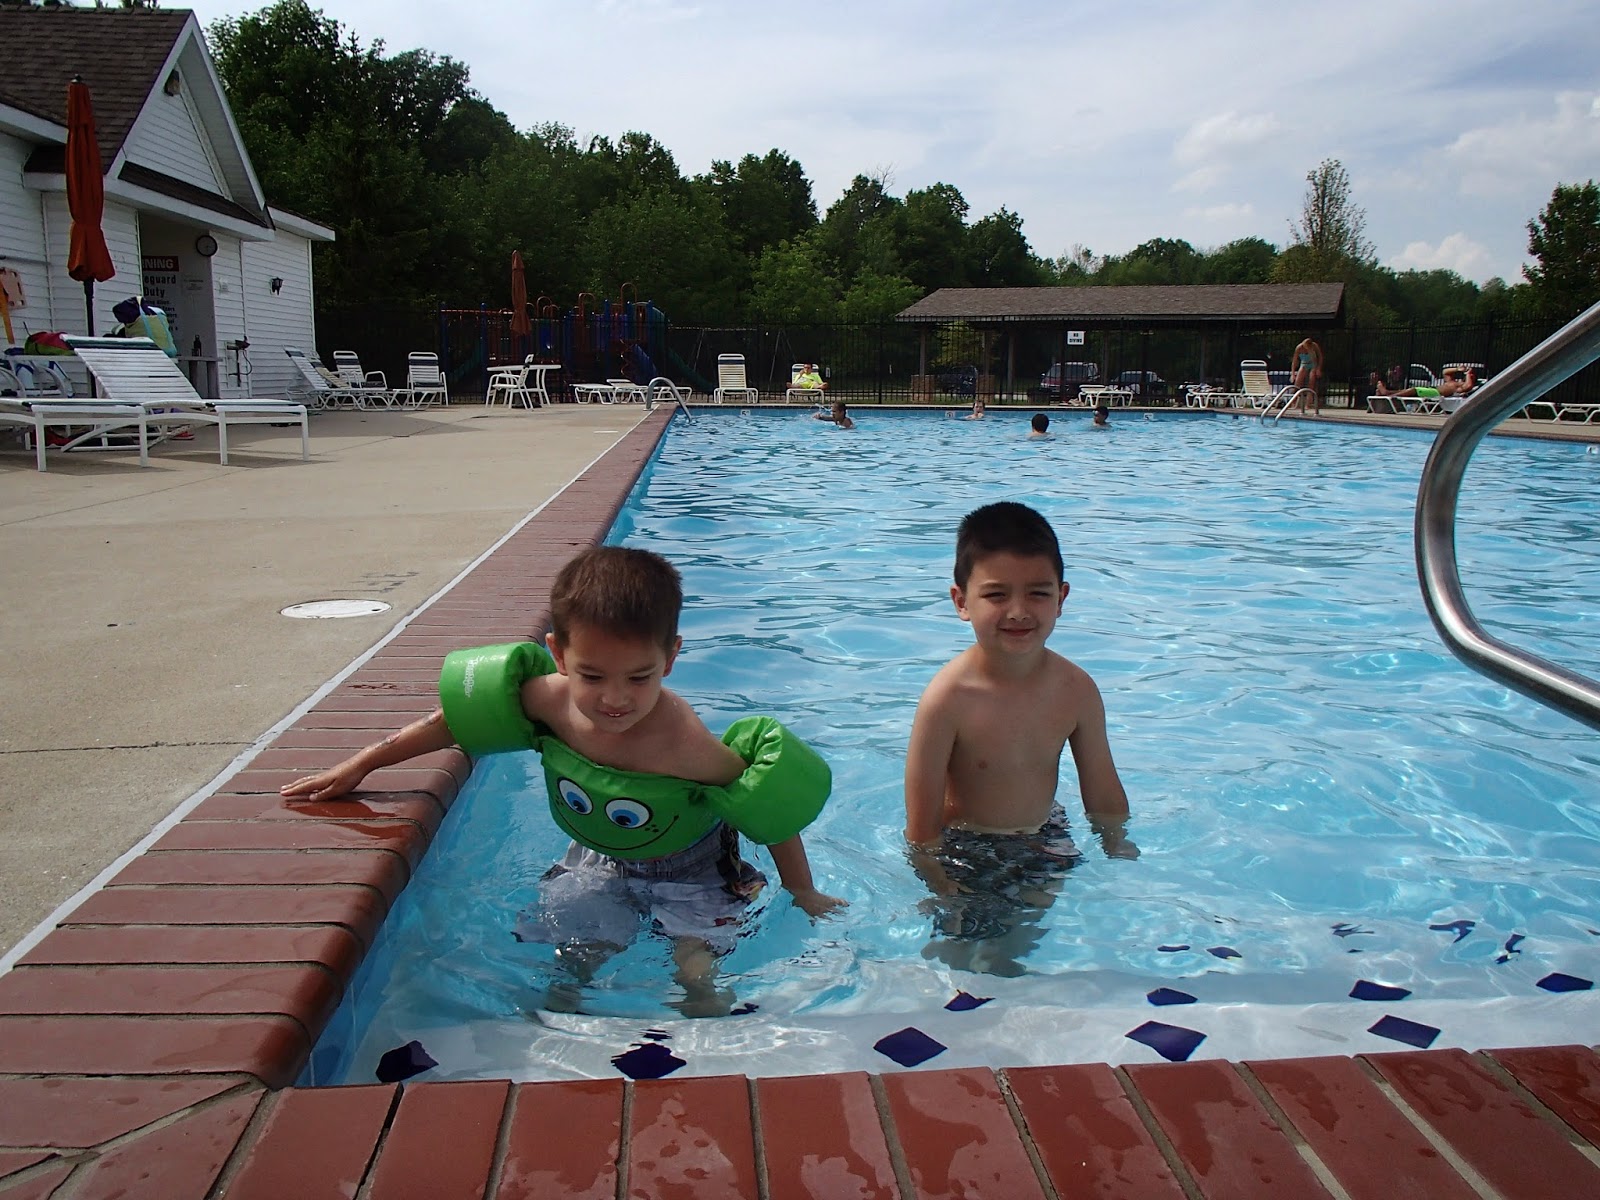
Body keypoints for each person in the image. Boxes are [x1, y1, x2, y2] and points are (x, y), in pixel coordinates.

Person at [281, 545, 844, 1015]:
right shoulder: (544, 701)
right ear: (557, 654)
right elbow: (451, 725)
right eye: (591, 675)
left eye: (639, 677)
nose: (615, 698)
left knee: (696, 962)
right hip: (601, 854)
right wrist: (362, 764)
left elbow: (768, 811)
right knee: (575, 949)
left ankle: (700, 1012)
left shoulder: (684, 744)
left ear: (670, 658)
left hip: (692, 869)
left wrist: (803, 891)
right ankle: (566, 1000)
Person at [904, 502, 1135, 973]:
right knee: (959, 958)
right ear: (961, 602)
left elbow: (1103, 789)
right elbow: (921, 827)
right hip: (964, 848)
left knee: (1016, 952)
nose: (1018, 611)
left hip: (1044, 836)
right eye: (996, 595)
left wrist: (1119, 846)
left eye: (1037, 593)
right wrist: (940, 882)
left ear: (1062, 597)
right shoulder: (947, 700)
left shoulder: (1076, 690)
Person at [1369, 367, 1478, 401]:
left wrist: (1469, 374)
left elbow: (1469, 386)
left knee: (1414, 390)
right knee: (1412, 390)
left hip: (1436, 393)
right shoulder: (1453, 382)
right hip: (1432, 390)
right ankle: (1387, 393)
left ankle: (1388, 394)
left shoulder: (1461, 386)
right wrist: (1458, 369)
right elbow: (1445, 371)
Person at [1292, 337, 1324, 414]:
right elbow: (1294, 361)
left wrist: (1318, 369)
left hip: (1313, 364)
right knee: (1297, 383)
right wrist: (1293, 373)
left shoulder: (1314, 346)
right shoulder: (1299, 348)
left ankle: (1308, 404)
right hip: (1304, 364)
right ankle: (1293, 402)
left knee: (1311, 383)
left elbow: (1320, 357)